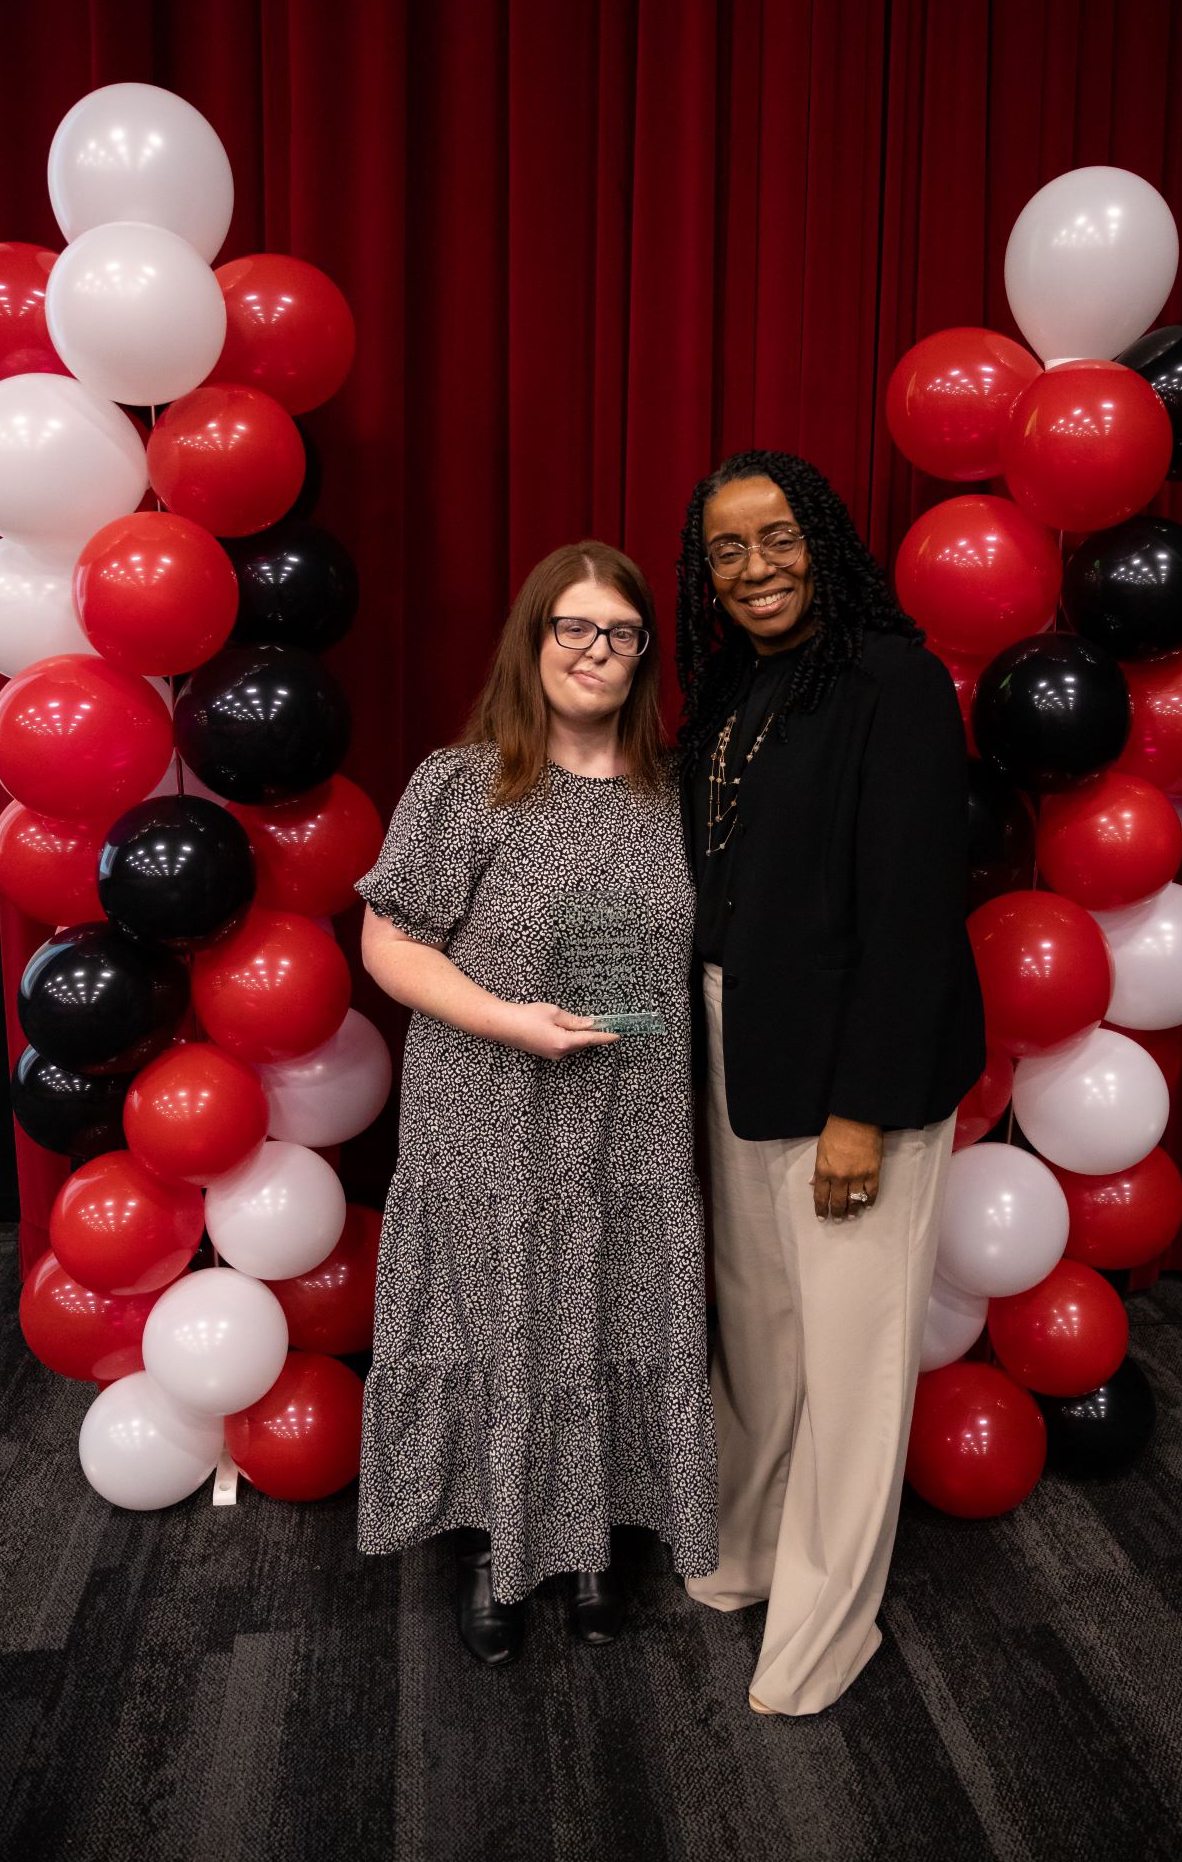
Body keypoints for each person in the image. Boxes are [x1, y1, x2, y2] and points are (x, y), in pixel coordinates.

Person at [355, 540, 716, 1667]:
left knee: (614, 1308)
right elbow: (387, 941)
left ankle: (598, 1537)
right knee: (500, 1318)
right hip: (488, 1099)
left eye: (618, 632)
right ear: (535, 640)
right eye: (574, 627)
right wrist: (507, 1017)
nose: (595, 651)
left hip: (635, 1109)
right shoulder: (462, 782)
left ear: (643, 652)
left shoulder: (681, 789)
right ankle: (497, 1550)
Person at [676, 448, 985, 1716]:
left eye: (778, 538)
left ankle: (824, 1623)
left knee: (852, 1355)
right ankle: (747, 1551)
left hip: (857, 1067)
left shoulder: (891, 683)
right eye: (728, 550)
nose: (755, 569)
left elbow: (913, 916)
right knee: (758, 1331)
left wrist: (859, 1111)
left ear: (826, 540)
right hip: (741, 1043)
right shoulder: (735, 690)